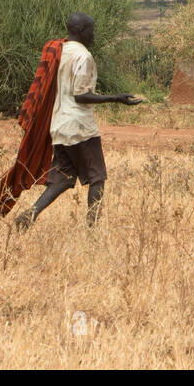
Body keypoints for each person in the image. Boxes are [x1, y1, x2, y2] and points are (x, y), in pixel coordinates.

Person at [13, 12, 140, 229]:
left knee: (62, 178)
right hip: (80, 127)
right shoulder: (83, 56)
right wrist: (115, 98)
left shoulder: (60, 52)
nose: (94, 35)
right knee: (97, 177)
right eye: (91, 30)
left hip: (59, 127)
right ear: (81, 32)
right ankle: (92, 229)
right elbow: (81, 95)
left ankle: (29, 216)